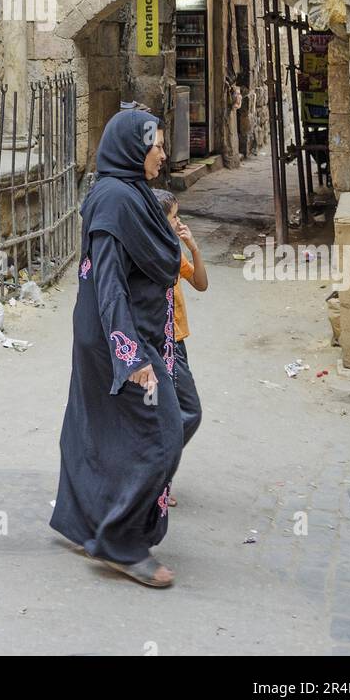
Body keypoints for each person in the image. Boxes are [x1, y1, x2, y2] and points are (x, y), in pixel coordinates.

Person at [50, 108, 184, 588]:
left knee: (96, 428)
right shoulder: (112, 200)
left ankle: (80, 520)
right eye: (157, 146)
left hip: (127, 330)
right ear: (133, 148)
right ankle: (121, 544)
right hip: (113, 338)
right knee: (163, 432)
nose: (164, 155)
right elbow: (107, 283)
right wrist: (131, 357)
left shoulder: (136, 194)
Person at [152, 189, 208, 500]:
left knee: (173, 413)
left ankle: (157, 474)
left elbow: (200, 283)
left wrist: (193, 248)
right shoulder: (155, 252)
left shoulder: (174, 249)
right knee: (188, 411)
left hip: (177, 341)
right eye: (174, 217)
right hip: (163, 345)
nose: (179, 222)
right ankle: (155, 474)